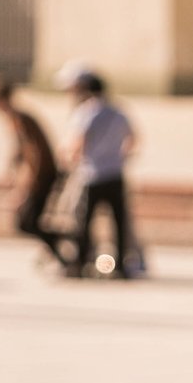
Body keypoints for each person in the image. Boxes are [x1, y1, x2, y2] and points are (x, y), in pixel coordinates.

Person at [0, 76, 69, 269]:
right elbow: (19, 150)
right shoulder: (16, 119)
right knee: (29, 221)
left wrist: (24, 187)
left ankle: (68, 243)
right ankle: (63, 250)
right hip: (38, 176)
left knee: (27, 222)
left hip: (42, 176)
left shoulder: (21, 118)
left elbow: (34, 155)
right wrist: (10, 171)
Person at [60, 66, 138, 278]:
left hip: (92, 174)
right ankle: (121, 265)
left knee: (84, 222)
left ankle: (80, 262)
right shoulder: (118, 111)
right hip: (115, 173)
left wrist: (71, 159)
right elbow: (133, 138)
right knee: (118, 222)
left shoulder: (86, 112)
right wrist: (120, 157)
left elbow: (79, 142)